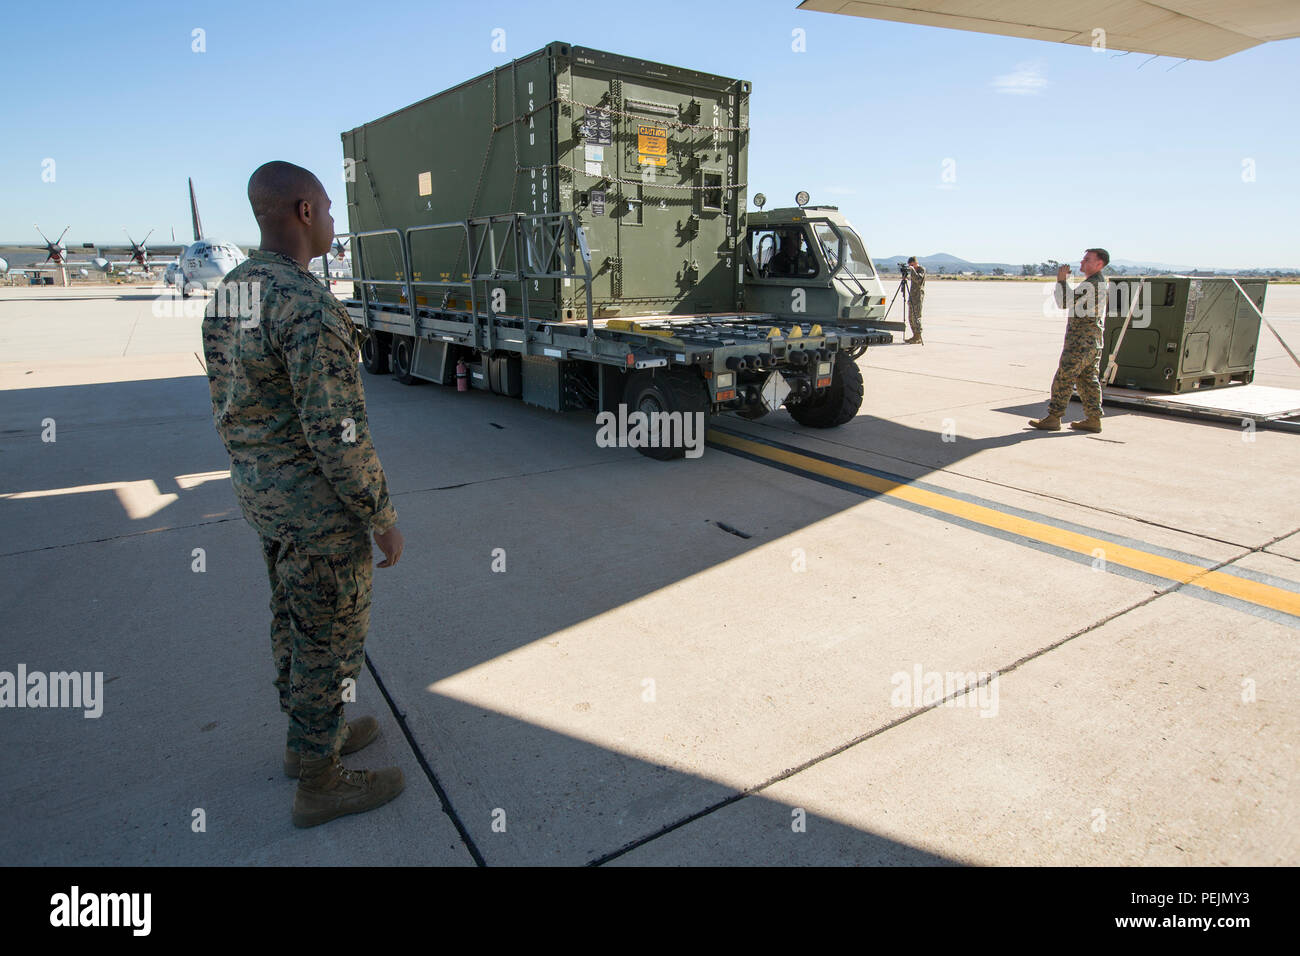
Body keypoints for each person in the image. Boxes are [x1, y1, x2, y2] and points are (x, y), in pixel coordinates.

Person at [202, 161, 406, 828]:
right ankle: (321, 783)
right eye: (327, 205)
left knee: (293, 624)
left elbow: (230, 402)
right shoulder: (307, 304)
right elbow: (336, 434)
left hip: (264, 499)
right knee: (328, 641)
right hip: (317, 512)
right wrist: (382, 517)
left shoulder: (232, 291)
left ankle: (305, 743)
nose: (333, 220)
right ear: (304, 211)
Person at [1029, 248, 1110, 432]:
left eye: (1087, 260)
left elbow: (1064, 301)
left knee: (1064, 377)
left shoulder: (1092, 284)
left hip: (1080, 342)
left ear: (1099, 264)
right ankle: (1093, 419)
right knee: (1088, 379)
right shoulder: (1097, 283)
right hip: (1092, 341)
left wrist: (1061, 280)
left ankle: (1054, 417)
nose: (1082, 263)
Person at [903, 256, 925, 344]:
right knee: (910, 318)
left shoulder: (921, 269)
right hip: (912, 296)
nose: (911, 267)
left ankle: (918, 337)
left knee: (916, 317)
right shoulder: (914, 271)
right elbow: (912, 278)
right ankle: (914, 335)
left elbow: (918, 279)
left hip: (918, 297)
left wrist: (912, 270)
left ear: (916, 263)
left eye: (912, 265)